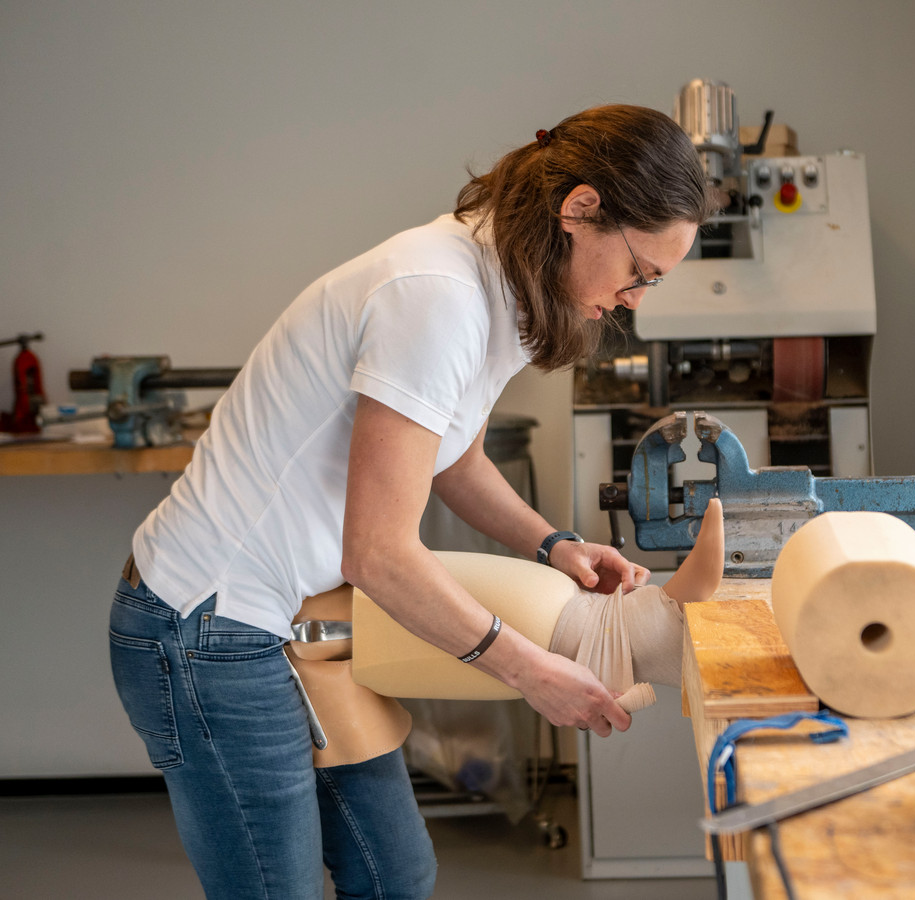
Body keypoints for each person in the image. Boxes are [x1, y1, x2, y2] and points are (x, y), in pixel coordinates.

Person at [108, 104, 718, 900]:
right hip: (207, 628)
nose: (636, 297)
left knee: (395, 873)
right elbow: (380, 554)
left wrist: (552, 544)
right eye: (640, 270)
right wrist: (533, 673)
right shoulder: (436, 295)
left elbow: (451, 455)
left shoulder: (495, 282)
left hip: (287, 614)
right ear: (579, 209)